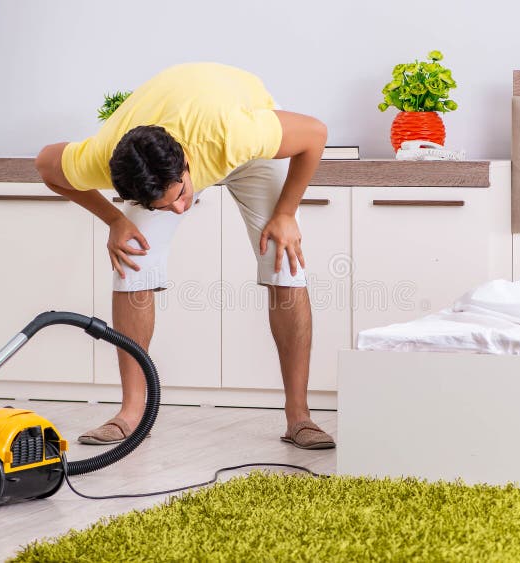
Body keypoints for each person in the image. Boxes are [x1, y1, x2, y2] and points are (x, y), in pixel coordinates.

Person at [35, 62, 335, 450]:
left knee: (284, 256)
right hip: (170, 130)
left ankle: (299, 416)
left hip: (242, 137)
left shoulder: (234, 132)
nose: (181, 210)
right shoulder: (101, 157)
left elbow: (316, 133)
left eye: (180, 195)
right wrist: (114, 219)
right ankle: (131, 413)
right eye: (163, 205)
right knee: (133, 259)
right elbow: (45, 163)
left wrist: (286, 214)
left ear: (188, 165)